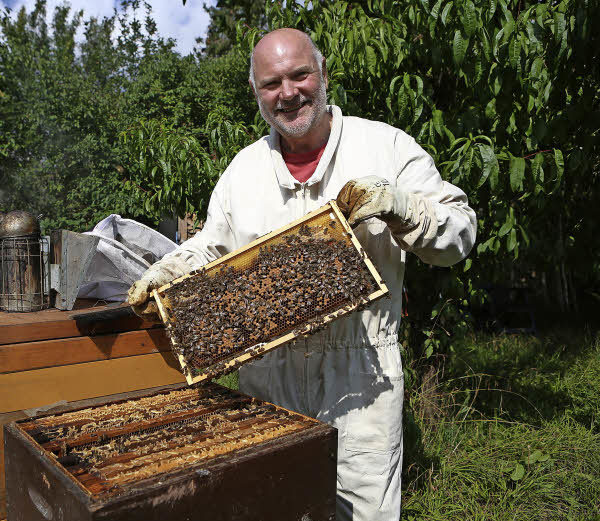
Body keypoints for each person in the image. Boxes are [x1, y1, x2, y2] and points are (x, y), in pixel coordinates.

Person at [127, 28, 476, 521]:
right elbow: (212, 245)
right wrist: (170, 270)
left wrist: (401, 206)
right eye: (272, 83)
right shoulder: (243, 171)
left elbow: (459, 235)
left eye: (299, 75)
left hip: (361, 377)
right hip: (268, 379)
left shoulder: (386, 147)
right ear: (256, 92)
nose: (288, 93)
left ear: (323, 73)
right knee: (275, 508)